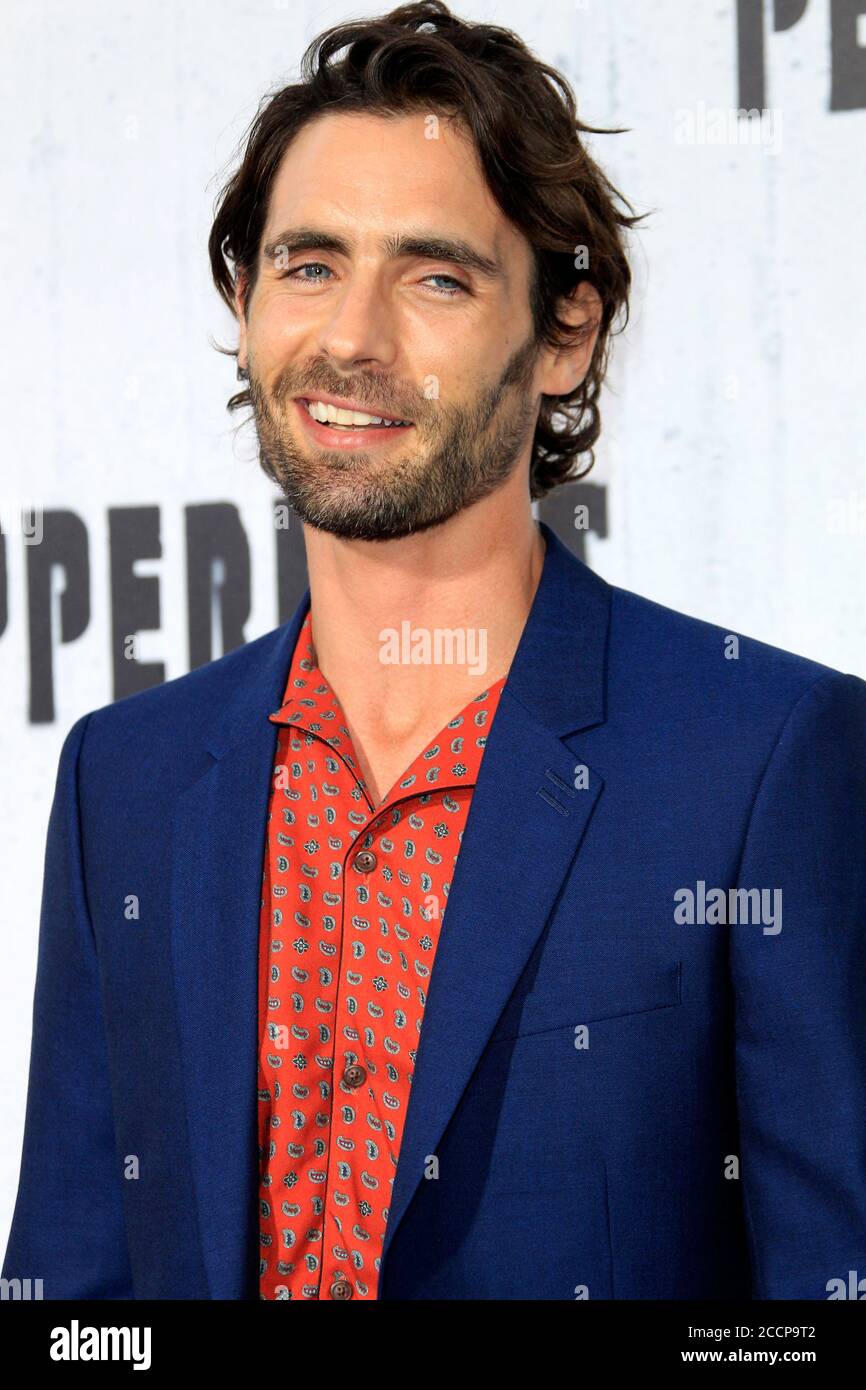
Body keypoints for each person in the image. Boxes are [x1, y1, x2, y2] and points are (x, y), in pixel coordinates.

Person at [4, 0, 865, 1300]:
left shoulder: (760, 759)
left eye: (435, 276)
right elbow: (75, 1308)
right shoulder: (124, 780)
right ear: (243, 303)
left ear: (564, 333)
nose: (351, 336)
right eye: (306, 264)